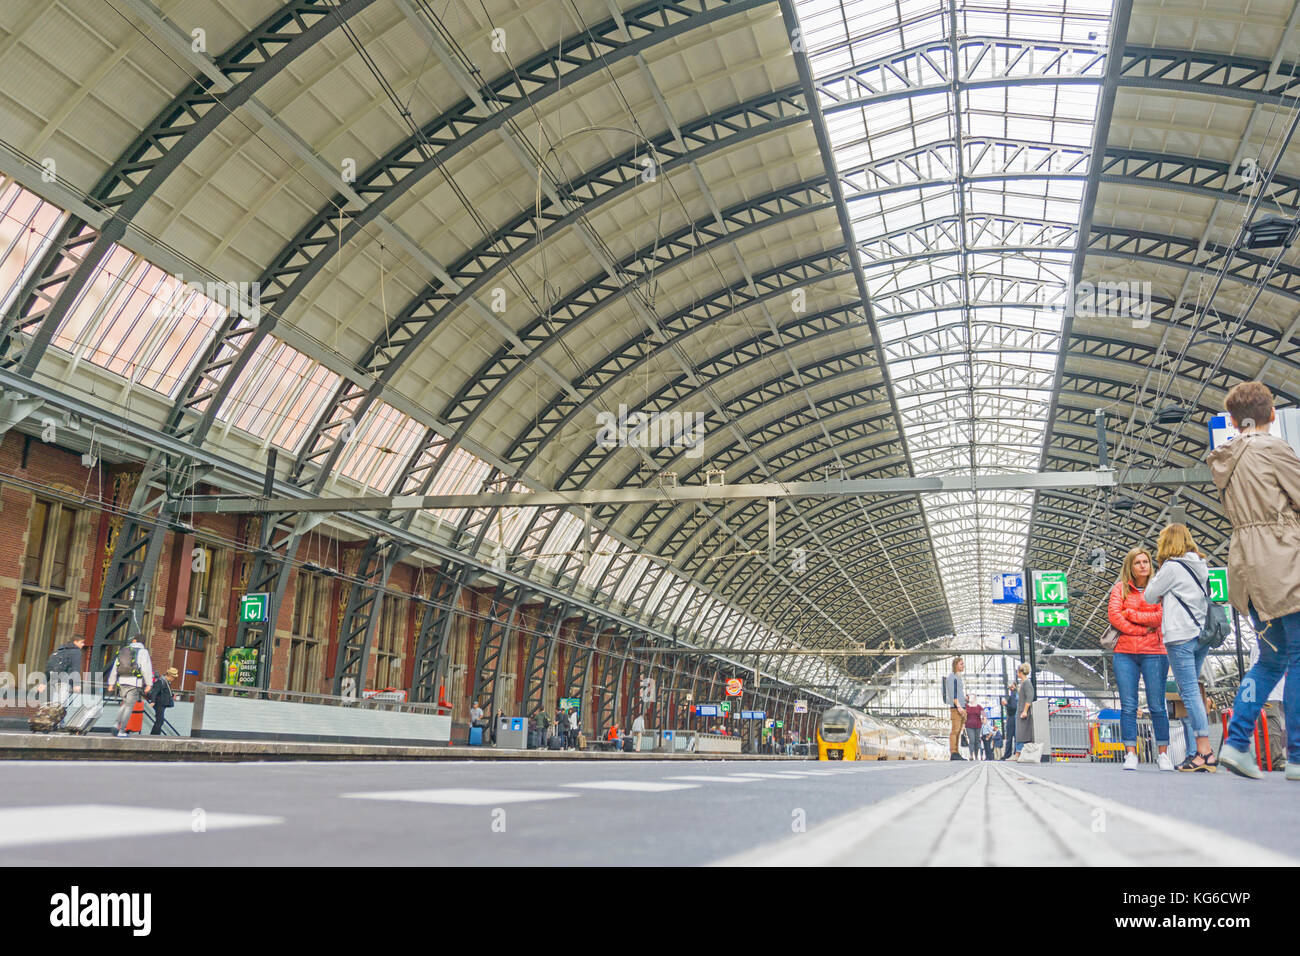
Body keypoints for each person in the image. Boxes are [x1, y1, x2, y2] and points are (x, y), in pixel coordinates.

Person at [1207, 381, 1300, 780]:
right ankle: (1297, 755)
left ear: (1233, 420)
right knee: (1298, 657)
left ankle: (1237, 742)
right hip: (1282, 558)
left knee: (1272, 659)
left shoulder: (1225, 459)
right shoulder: (1275, 449)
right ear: (1273, 414)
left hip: (1245, 566)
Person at [1144, 524, 1216, 772]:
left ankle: (1204, 751)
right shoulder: (1200, 565)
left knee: (1189, 693)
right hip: (1201, 635)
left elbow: (1150, 596)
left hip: (1180, 635)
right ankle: (1201, 750)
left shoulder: (1171, 568)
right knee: (1192, 691)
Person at [1107, 547, 1174, 771]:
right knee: (1128, 706)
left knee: (1157, 705)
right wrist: (1141, 630)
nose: (1143, 565)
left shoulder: (1159, 589)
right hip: (1125, 653)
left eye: (1146, 561)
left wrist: (1132, 615)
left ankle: (1163, 754)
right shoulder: (1119, 588)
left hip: (1155, 652)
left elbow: (1161, 616)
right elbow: (1115, 616)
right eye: (1138, 562)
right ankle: (1130, 753)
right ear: (1130, 567)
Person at [106, 636, 154, 738]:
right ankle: (121, 730)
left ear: (134, 640)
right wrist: (149, 684)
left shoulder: (124, 650)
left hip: (122, 681)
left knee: (124, 704)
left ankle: (116, 723)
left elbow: (116, 666)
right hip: (134, 683)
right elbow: (146, 668)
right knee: (128, 706)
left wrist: (111, 683)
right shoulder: (143, 652)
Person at [41, 635, 86, 705]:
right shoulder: (76, 652)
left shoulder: (59, 650)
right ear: (75, 642)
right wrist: (76, 684)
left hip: (54, 680)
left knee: (55, 704)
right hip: (65, 681)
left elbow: (49, 667)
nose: (83, 644)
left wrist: (43, 682)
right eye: (81, 642)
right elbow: (76, 668)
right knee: (60, 705)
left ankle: (51, 714)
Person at [942, 657, 967, 760]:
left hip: (961, 706)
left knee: (959, 731)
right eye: (961, 664)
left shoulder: (959, 677)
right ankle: (953, 752)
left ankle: (957, 752)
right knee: (955, 730)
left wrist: (965, 699)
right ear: (956, 665)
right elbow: (953, 694)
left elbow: (959, 693)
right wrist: (959, 706)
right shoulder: (952, 677)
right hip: (956, 708)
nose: (963, 666)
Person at [146, 667, 177, 736]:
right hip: (159, 703)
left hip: (162, 703)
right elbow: (155, 691)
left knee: (160, 720)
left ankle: (155, 734)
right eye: (173, 677)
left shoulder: (165, 681)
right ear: (169, 675)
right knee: (160, 720)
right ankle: (154, 735)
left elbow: (164, 691)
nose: (173, 679)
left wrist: (171, 695)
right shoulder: (161, 681)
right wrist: (153, 701)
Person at [1015, 664, 1035, 754]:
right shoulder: (1023, 683)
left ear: (1020, 672)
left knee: (1022, 732)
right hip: (1021, 711)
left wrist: (1025, 711)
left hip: (1023, 712)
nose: (1016, 673)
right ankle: (1019, 752)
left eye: (1017, 671)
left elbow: (1029, 697)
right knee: (1020, 732)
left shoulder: (1027, 683)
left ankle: (1019, 752)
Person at [964, 694, 984, 760]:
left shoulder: (979, 707)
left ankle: (976, 755)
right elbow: (963, 714)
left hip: (978, 726)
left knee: (977, 741)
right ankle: (971, 755)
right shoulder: (966, 706)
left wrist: (984, 719)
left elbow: (984, 715)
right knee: (972, 740)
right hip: (969, 726)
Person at [1001, 683, 1018, 759]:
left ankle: (1007, 755)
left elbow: (1013, 707)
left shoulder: (1013, 695)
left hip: (1012, 718)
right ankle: (1015, 753)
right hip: (1015, 718)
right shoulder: (1016, 694)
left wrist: (1006, 704)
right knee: (1015, 737)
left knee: (1009, 737)